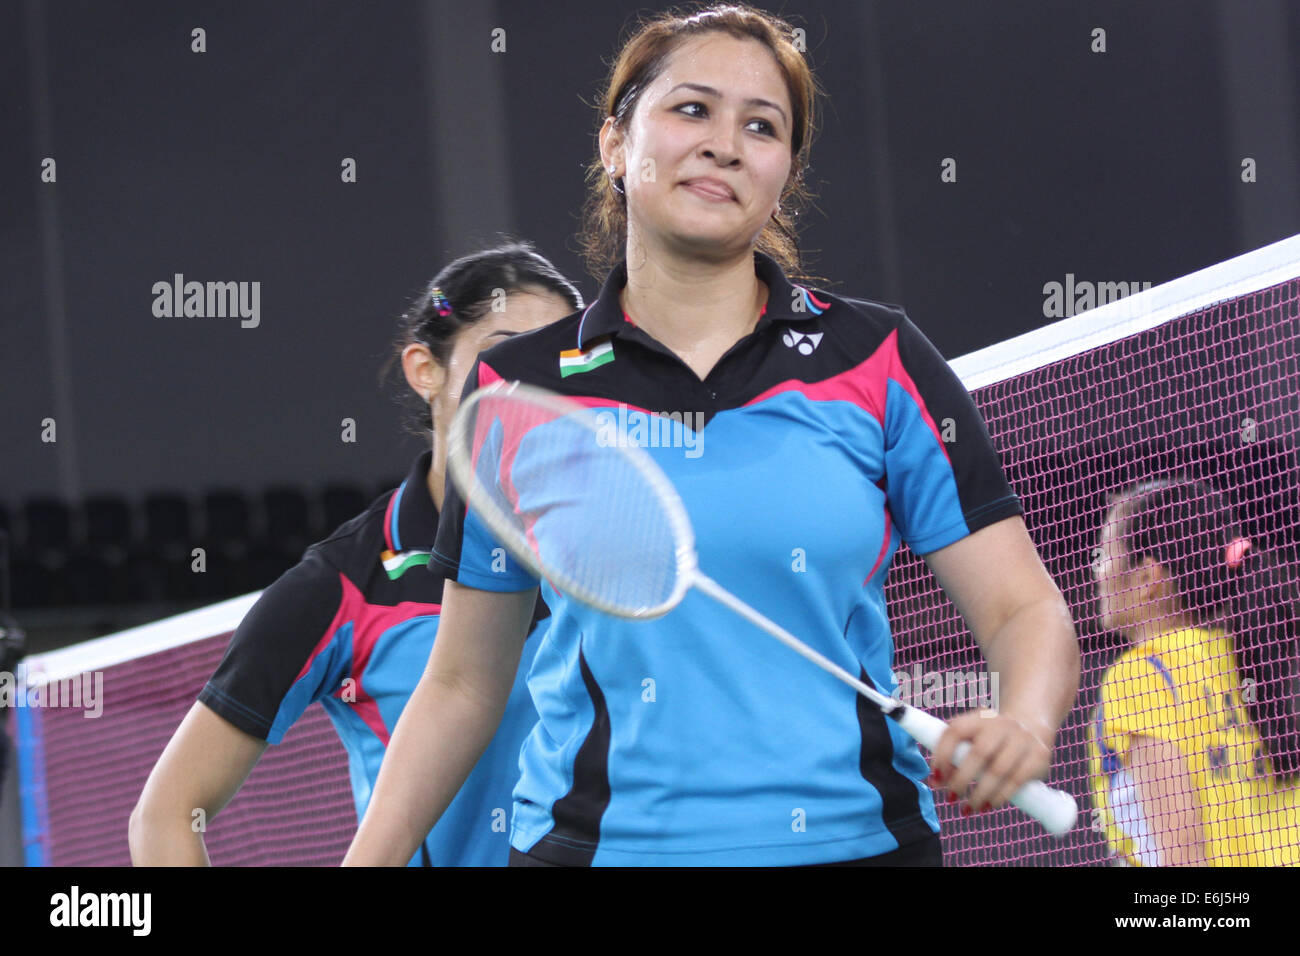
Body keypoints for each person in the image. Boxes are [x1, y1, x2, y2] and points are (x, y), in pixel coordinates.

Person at [344, 3, 1080, 867]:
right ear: (616, 145)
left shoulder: (877, 358)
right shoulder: (518, 393)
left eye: (760, 126)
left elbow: (1022, 608)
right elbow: (465, 684)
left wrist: (1024, 720)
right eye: (692, 109)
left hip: (858, 849)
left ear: (783, 177)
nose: (725, 142)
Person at [128, 242, 583, 865]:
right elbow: (168, 812)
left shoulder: (619, 555)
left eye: (557, 357)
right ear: (426, 369)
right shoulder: (346, 585)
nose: (532, 383)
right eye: (503, 352)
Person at [1087, 476, 1300, 866]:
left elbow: (1184, 851)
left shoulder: (1137, 676)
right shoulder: (1258, 649)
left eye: (1103, 556)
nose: (1096, 573)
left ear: (1148, 578)